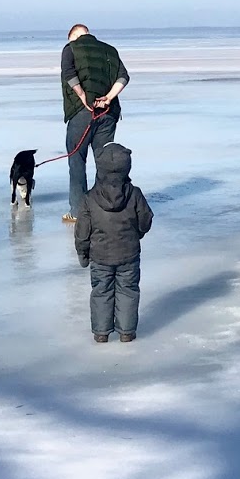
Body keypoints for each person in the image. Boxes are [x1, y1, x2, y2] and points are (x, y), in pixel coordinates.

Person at [74, 142, 153, 343]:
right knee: (128, 290)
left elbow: (82, 231)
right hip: (128, 254)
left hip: (100, 257)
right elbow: (145, 220)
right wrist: (137, 234)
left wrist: (83, 254)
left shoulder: (89, 198)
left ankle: (101, 333)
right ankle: (126, 331)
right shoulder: (134, 194)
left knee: (102, 291)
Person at [60, 24, 130, 222]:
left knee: (76, 160)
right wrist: (108, 97)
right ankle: (108, 206)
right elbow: (124, 77)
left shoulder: (71, 48)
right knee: (105, 161)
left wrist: (82, 95)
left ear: (73, 36)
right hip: (108, 114)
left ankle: (78, 212)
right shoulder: (110, 50)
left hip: (82, 113)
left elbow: (69, 74)